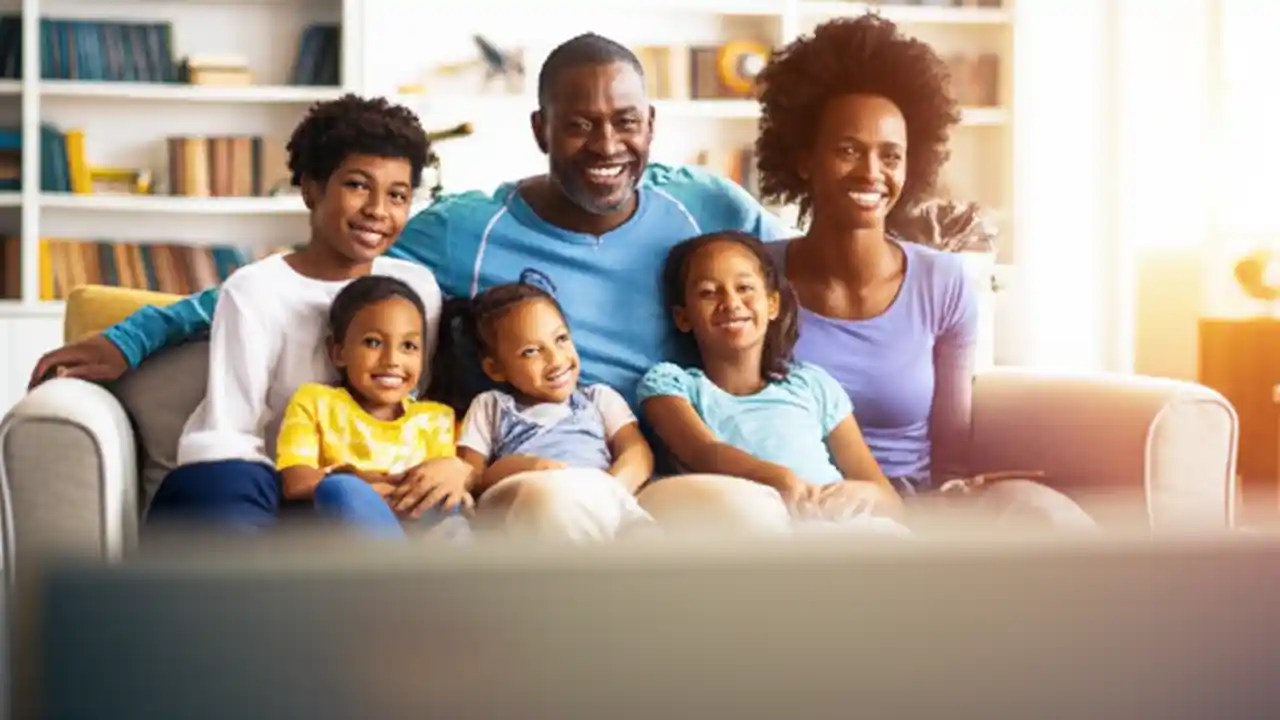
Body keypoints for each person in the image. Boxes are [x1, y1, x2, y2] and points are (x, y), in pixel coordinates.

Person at [27, 33, 790, 531]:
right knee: (560, 506)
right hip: (536, 474)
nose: (606, 144)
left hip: (662, 461)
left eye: (625, 121)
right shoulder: (465, 229)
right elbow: (309, 274)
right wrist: (132, 335)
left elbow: (804, 286)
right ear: (540, 131)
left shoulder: (708, 207)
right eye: (579, 123)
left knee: (754, 518)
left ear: (651, 125)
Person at [745, 14, 1095, 527]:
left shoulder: (944, 282)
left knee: (1047, 514)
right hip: (806, 508)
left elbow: (950, 451)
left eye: (891, 156)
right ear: (804, 160)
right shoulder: (757, 278)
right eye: (848, 150)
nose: (872, 173)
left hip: (918, 508)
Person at [143, 93, 472, 529]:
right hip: (263, 480)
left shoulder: (415, 286)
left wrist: (451, 466)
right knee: (225, 483)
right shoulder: (256, 290)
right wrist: (310, 482)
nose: (377, 210)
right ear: (313, 187)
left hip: (372, 488)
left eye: (398, 195)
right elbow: (231, 430)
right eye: (357, 185)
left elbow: (415, 406)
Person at [637, 231, 908, 537]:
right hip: (750, 527)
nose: (730, 302)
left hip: (833, 521)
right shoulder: (671, 385)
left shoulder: (811, 384)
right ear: (683, 317)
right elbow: (701, 450)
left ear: (773, 304)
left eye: (744, 288)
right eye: (709, 292)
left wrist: (866, 495)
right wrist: (775, 478)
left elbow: (887, 497)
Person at [452, 282, 655, 541]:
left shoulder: (598, 398)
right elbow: (471, 476)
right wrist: (522, 467)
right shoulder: (492, 406)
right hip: (525, 496)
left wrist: (611, 488)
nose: (556, 360)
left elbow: (637, 452)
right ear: (495, 369)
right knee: (552, 500)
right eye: (531, 352)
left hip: (607, 494)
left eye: (561, 339)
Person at [275, 276, 470, 540]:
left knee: (450, 503)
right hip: (351, 525)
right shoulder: (316, 401)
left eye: (409, 346)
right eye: (373, 342)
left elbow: (444, 485)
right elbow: (297, 482)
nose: (392, 360)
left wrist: (453, 471)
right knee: (341, 490)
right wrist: (369, 487)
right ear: (338, 352)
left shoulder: (436, 418)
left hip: (417, 524)